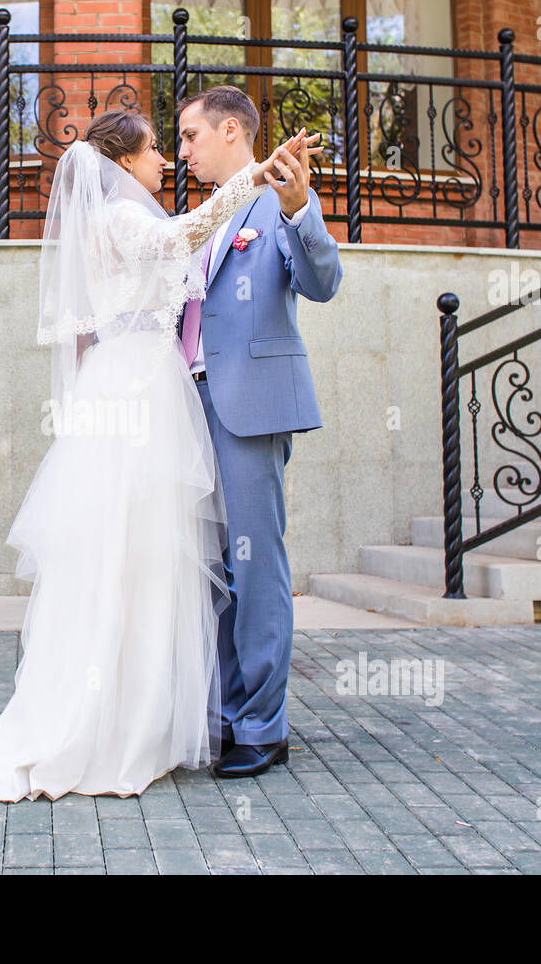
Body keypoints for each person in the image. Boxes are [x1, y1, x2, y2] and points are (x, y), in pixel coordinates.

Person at [0, 110, 312, 801]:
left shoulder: (119, 220)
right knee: (131, 553)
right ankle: (119, 721)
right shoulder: (121, 219)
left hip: (147, 389)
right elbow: (180, 236)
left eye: (178, 142)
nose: (167, 158)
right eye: (154, 149)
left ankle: (170, 714)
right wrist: (252, 179)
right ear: (121, 160)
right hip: (141, 393)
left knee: (152, 556)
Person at [174, 85, 342, 778]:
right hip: (191, 408)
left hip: (250, 407)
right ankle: (221, 713)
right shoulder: (202, 217)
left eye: (190, 135)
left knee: (255, 565)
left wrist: (303, 209)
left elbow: (324, 280)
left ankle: (263, 725)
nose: (183, 149)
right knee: (212, 568)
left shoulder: (282, 203)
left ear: (233, 130)